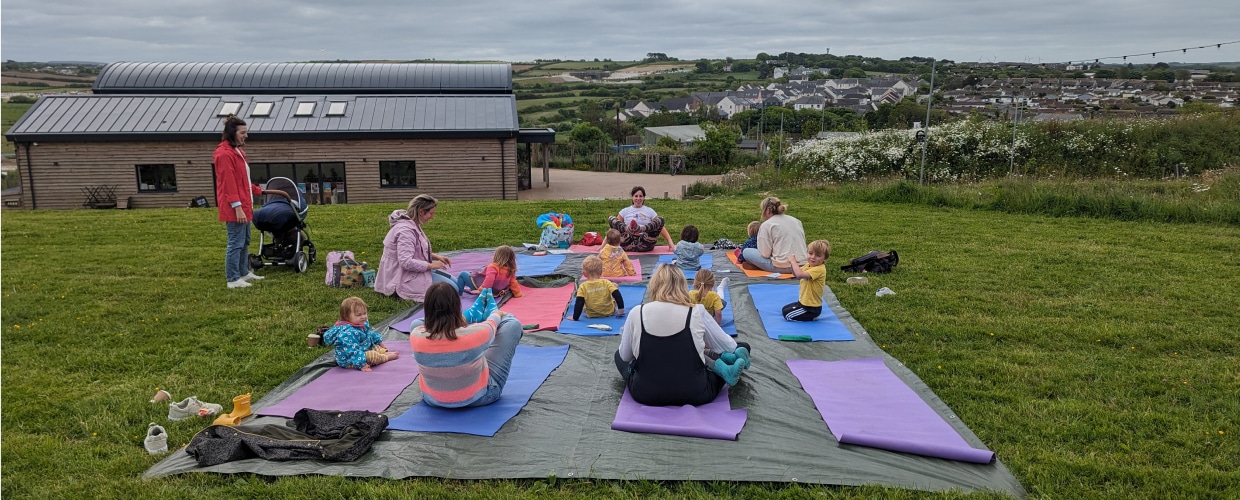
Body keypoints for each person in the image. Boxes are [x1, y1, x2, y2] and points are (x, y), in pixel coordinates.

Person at [615, 264, 751, 406]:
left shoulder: (637, 312)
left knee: (618, 355)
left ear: (654, 285)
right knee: (741, 347)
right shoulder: (697, 311)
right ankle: (728, 365)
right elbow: (729, 346)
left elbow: (625, 356)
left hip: (645, 393)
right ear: (683, 286)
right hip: (697, 393)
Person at [409, 283, 523, 408]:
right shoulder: (474, 333)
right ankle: (468, 316)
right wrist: (496, 313)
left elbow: (427, 325)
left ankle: (468, 316)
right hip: (481, 397)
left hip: (432, 398)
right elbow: (491, 325)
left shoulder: (416, 334)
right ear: (457, 306)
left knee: (416, 322)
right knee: (512, 323)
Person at [213, 115, 291, 289]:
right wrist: (237, 207)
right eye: (243, 132)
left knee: (245, 240)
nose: (246, 136)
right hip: (235, 207)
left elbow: (242, 180)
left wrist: (257, 190)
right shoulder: (224, 155)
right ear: (233, 133)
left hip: (245, 205)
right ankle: (232, 279)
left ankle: (243, 272)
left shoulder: (238, 152)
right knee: (235, 242)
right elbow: (229, 184)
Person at [374, 194, 459, 302]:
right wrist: (431, 265)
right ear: (421, 211)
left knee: (454, 284)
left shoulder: (413, 224)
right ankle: (399, 292)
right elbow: (405, 262)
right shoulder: (406, 232)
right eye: (431, 213)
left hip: (410, 272)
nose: (432, 217)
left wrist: (436, 257)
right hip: (401, 277)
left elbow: (416, 251)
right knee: (452, 291)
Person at [322, 297, 398, 372]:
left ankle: (382, 352)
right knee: (371, 355)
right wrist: (362, 365)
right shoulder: (347, 334)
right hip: (350, 360)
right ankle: (385, 357)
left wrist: (380, 343)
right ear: (346, 316)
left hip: (362, 350)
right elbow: (352, 351)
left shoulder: (359, 323)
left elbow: (370, 334)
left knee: (375, 347)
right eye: (358, 315)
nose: (363, 317)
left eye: (364, 313)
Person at [741, 196, 807, 274]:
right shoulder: (796, 221)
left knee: (746, 252)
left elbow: (765, 254)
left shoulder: (767, 225)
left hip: (782, 267)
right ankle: (760, 266)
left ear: (768, 210)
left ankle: (760, 266)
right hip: (803, 265)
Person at [607, 186, 674, 253]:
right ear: (632, 197)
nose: (638, 198)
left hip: (645, 243)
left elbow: (660, 226)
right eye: (636, 196)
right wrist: (605, 242)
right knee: (611, 218)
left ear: (644, 197)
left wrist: (669, 241)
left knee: (661, 219)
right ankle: (627, 228)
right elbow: (613, 228)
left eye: (640, 196)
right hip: (627, 242)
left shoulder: (649, 211)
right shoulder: (625, 211)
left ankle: (641, 229)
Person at [783, 240, 831, 322]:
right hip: (802, 302)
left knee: (787, 315)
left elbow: (799, 275)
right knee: (784, 309)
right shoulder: (808, 265)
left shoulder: (819, 269)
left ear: (825, 258)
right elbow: (795, 274)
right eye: (810, 253)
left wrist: (793, 262)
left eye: (818, 255)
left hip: (811, 307)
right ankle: (803, 313)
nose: (813, 257)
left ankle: (811, 317)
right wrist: (792, 265)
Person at [456, 246, 524, 301]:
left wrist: (481, 290)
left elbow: (489, 279)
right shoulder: (510, 269)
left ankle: (459, 295)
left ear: (497, 256)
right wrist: (517, 293)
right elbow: (513, 283)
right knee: (471, 274)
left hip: (485, 291)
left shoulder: (493, 267)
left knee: (463, 274)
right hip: (497, 292)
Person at [572, 255, 626, 321]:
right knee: (614, 285)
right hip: (609, 312)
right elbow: (617, 294)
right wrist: (621, 310)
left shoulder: (582, 286)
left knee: (582, 297)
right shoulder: (606, 282)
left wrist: (575, 318)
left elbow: (579, 302)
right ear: (601, 272)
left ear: (584, 274)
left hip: (591, 314)